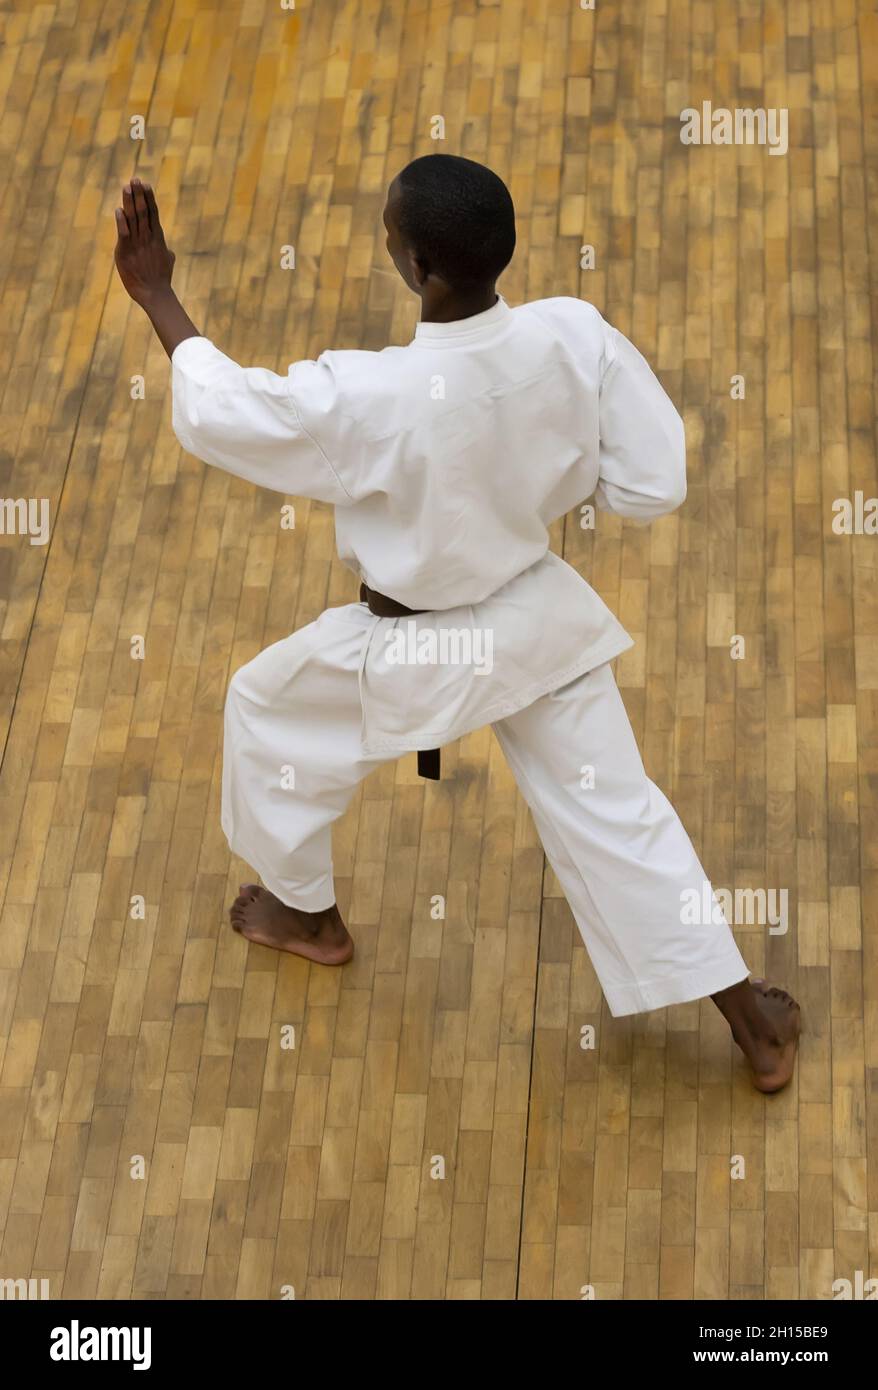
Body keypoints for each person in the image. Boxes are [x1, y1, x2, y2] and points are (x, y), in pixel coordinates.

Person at [113, 155, 800, 1092]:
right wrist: (544, 466)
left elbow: (223, 411)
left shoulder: (365, 397)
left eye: (390, 231)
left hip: (413, 649)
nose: (385, 238)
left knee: (261, 709)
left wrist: (157, 293)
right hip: (537, 624)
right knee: (618, 817)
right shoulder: (573, 335)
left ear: (417, 268)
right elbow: (652, 484)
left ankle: (308, 917)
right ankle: (751, 1019)